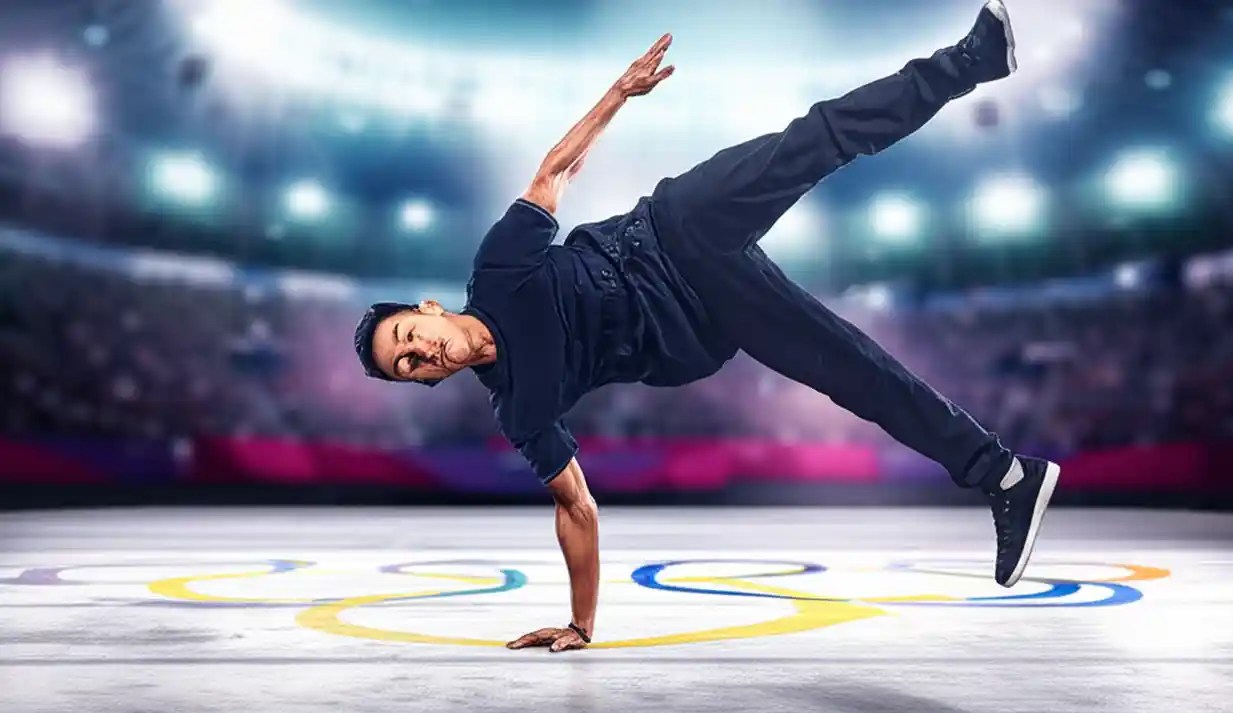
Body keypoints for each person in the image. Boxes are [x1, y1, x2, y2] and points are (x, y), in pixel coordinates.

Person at [353, 0, 1058, 653]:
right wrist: (580, 622)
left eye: (408, 337)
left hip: (673, 227)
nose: (418, 353)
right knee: (852, 368)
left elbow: (554, 175)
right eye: (406, 366)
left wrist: (618, 95)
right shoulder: (521, 404)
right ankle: (1004, 474)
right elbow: (576, 506)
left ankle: (975, 57)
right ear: (423, 381)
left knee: (816, 137)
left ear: (429, 310)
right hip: (703, 316)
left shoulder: (497, 269)